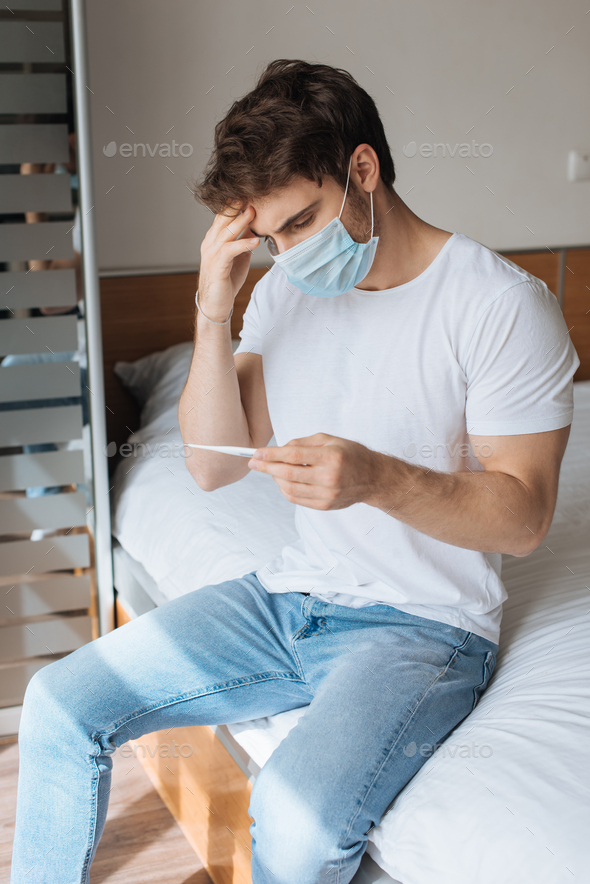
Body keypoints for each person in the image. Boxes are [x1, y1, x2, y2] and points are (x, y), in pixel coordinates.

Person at [11, 59, 579, 884]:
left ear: (362, 169)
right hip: (289, 599)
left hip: (423, 629)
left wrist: (378, 479)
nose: (288, 254)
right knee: (58, 706)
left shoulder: (499, 304)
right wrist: (213, 305)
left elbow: (524, 518)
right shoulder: (283, 295)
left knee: (294, 817)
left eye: (302, 222)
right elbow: (208, 468)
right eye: (270, 237)